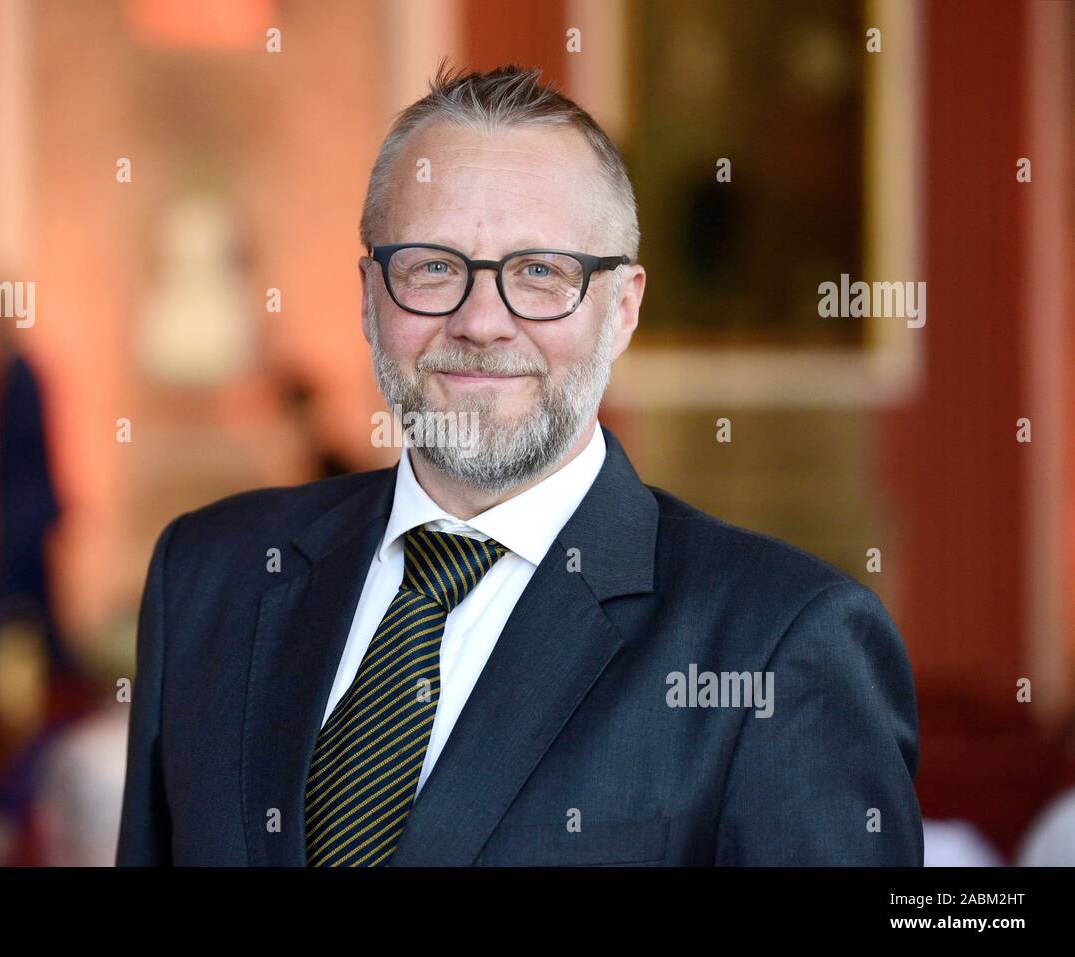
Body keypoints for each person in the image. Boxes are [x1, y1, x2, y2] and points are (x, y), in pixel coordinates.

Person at [117, 63, 922, 866]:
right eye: (432, 266)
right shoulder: (207, 575)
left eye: (540, 272)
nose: (480, 320)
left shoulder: (779, 641)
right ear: (369, 296)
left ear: (623, 308)